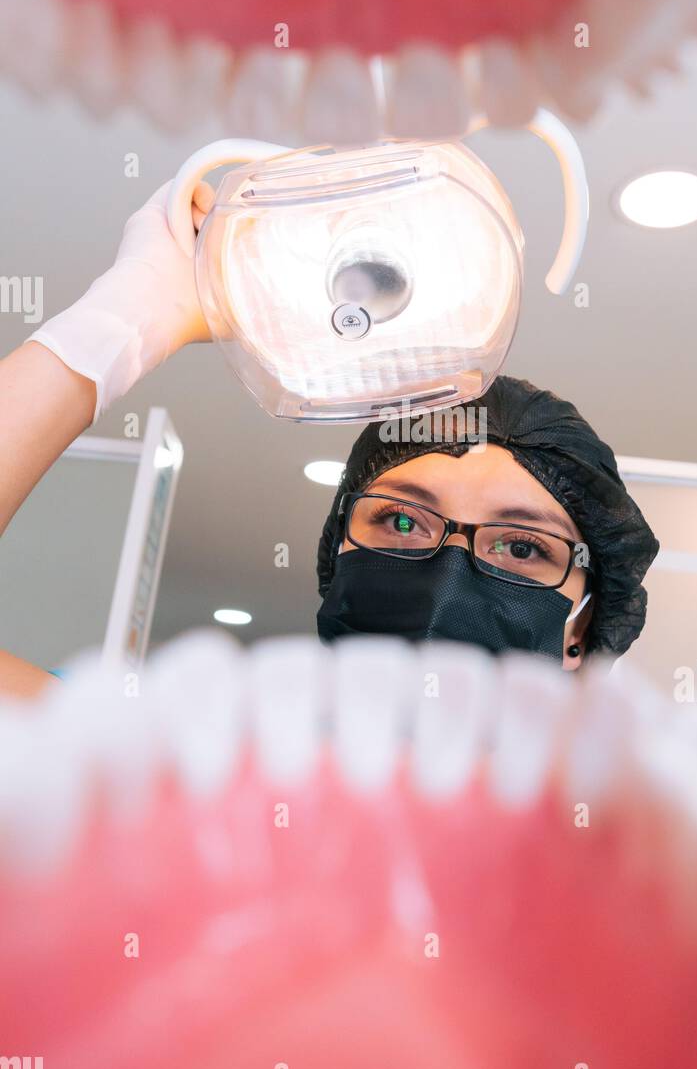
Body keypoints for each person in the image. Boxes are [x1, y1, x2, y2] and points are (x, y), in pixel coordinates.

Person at [0, 185, 658, 696]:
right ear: (339, 553)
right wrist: (124, 318)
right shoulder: (169, 781)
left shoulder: (643, 859)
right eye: (401, 518)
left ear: (580, 631)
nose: (446, 577)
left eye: (521, 546)